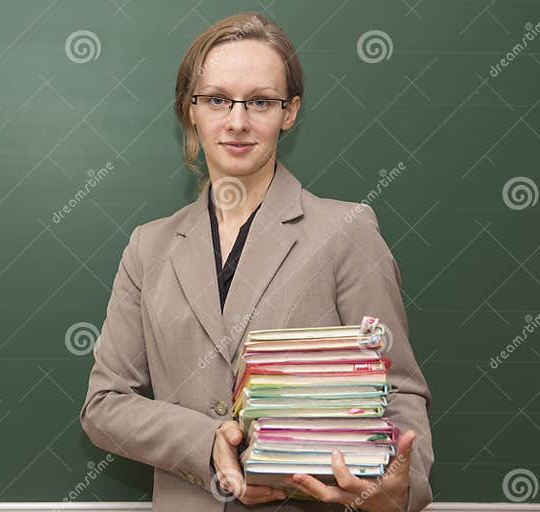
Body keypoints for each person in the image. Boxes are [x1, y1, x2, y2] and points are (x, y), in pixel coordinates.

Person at [79, 11, 433, 512]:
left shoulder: (346, 231)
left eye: (261, 102)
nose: (238, 121)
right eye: (218, 99)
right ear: (190, 109)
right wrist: (207, 443)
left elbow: (396, 391)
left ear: (290, 112)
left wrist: (401, 489)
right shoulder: (148, 247)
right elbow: (105, 406)